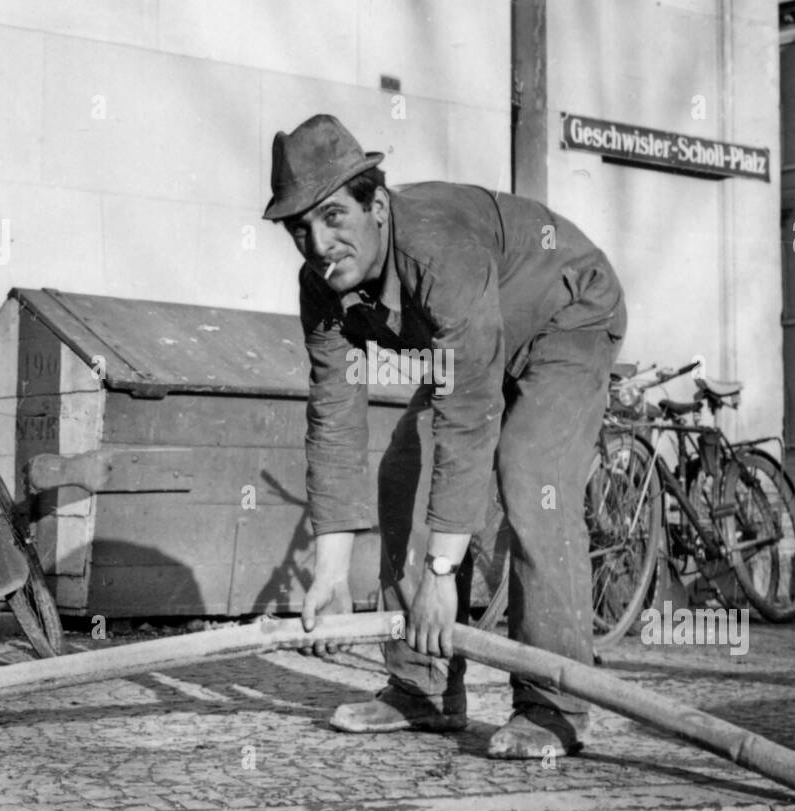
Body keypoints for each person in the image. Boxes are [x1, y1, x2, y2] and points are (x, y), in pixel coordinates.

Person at [266, 114, 626, 758]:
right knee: (405, 466)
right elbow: (334, 419)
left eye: (333, 218)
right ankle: (421, 687)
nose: (318, 245)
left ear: (376, 205)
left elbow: (470, 408)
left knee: (529, 473)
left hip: (565, 312)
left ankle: (555, 704)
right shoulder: (320, 289)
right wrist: (330, 573)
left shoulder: (438, 250)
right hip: (474, 345)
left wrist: (441, 572)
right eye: (300, 229)